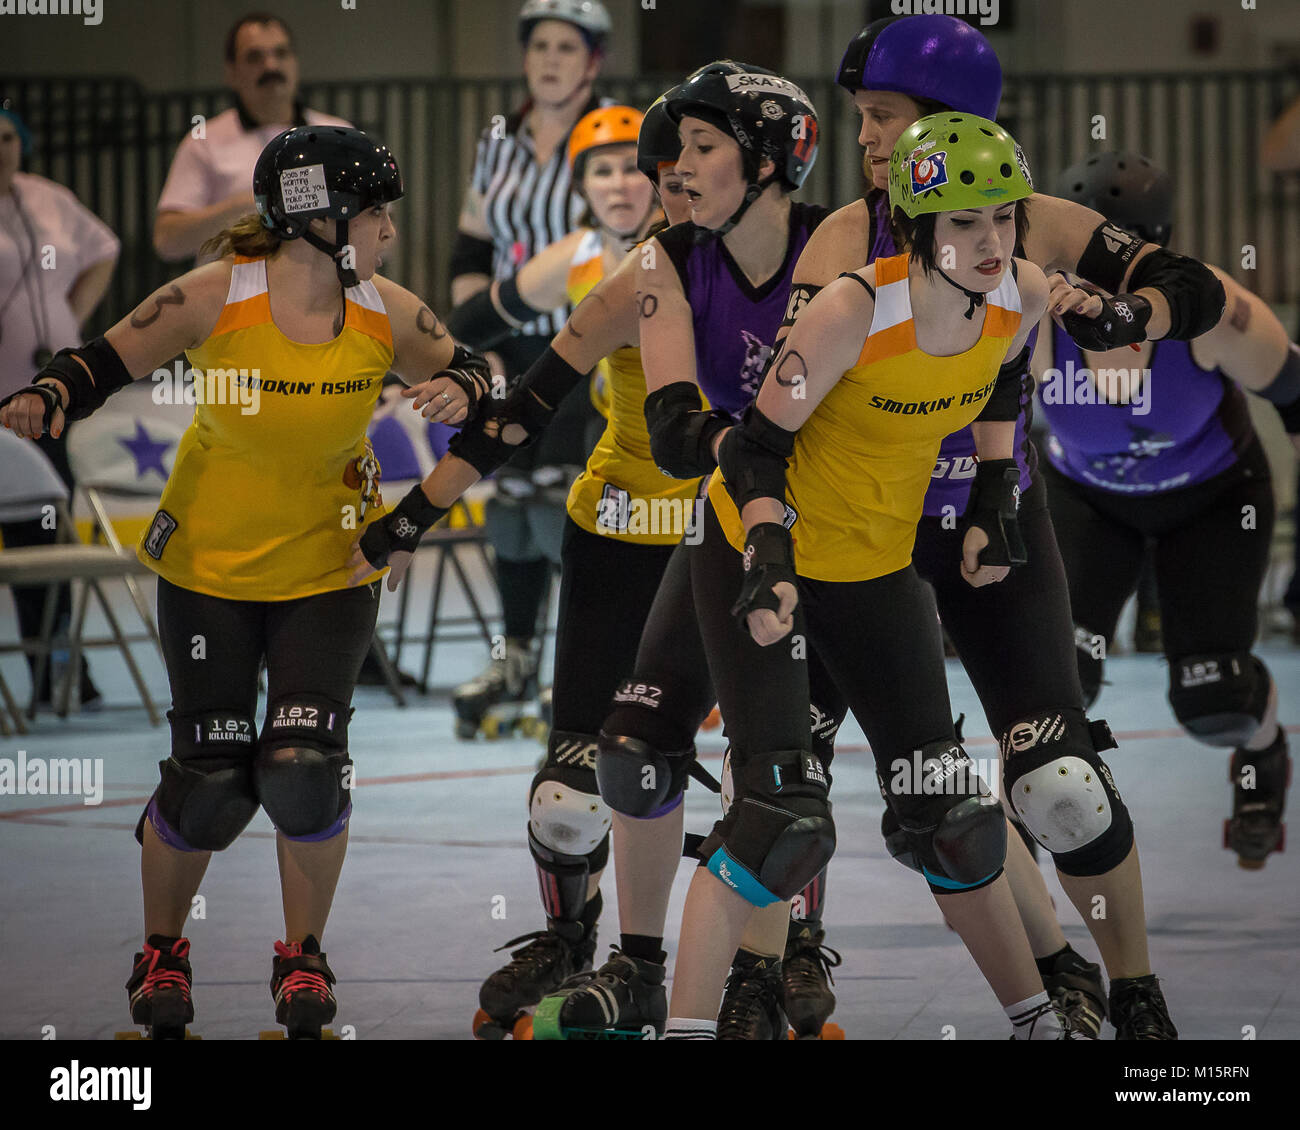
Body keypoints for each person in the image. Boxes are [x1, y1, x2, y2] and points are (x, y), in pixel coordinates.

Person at [772, 12, 1220, 1040]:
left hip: (992, 524)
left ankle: (1138, 994)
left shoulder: (1032, 218)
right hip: (860, 540)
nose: (867, 140)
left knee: (1059, 779)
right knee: (831, 777)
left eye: (883, 117)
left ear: (953, 121)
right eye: (861, 120)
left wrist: (1123, 316)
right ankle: (1041, 975)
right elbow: (784, 416)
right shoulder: (844, 238)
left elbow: (1183, 283)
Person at [1, 125, 488, 1039]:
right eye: (376, 213)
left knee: (303, 772)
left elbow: (470, 370)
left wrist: (463, 387)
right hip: (210, 571)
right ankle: (162, 949)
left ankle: (303, 957)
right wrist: (48, 397)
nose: (388, 231)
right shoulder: (219, 294)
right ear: (321, 219)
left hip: (331, 568)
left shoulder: (383, 307)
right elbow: (99, 363)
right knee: (211, 783)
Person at [392, 98, 700, 1038]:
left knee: (780, 777)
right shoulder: (587, 265)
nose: (644, 187)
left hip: (722, 540)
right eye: (614, 172)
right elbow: (483, 334)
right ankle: (574, 940)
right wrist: (466, 380)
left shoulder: (769, 269)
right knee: (570, 796)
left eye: (655, 171)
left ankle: (785, 958)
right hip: (610, 525)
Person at [1041, 150, 1299, 869]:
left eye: (1113, 264)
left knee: (1217, 696)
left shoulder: (1207, 306)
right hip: (1088, 500)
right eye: (1080, 263)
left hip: (1212, 501)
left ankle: (1262, 760)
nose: (1089, 288)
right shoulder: (1032, 309)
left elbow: (1294, 390)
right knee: (1058, 680)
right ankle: (1045, 841)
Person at [449, 0, 615, 736]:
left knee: (558, 504)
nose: (550, 59)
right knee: (510, 504)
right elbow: (469, 255)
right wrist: (474, 349)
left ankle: (575, 664)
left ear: (593, 61)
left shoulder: (614, 134)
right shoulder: (500, 142)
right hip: (511, 344)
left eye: (566, 47)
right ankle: (515, 655)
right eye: (539, 46)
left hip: (586, 347)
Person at [0, 103, 118, 711]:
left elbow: (104, 249)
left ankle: (59, 670)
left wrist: (72, 316)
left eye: (7, 139)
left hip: (42, 402)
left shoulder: (48, 198)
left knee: (44, 534)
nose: (2, 151)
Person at [153, 12, 350, 263]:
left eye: (281, 53)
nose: (271, 66)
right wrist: (251, 205)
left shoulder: (339, 134)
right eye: (254, 57)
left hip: (322, 295)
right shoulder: (203, 141)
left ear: (295, 63)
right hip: (233, 296)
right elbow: (167, 241)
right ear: (231, 72)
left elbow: (386, 237)